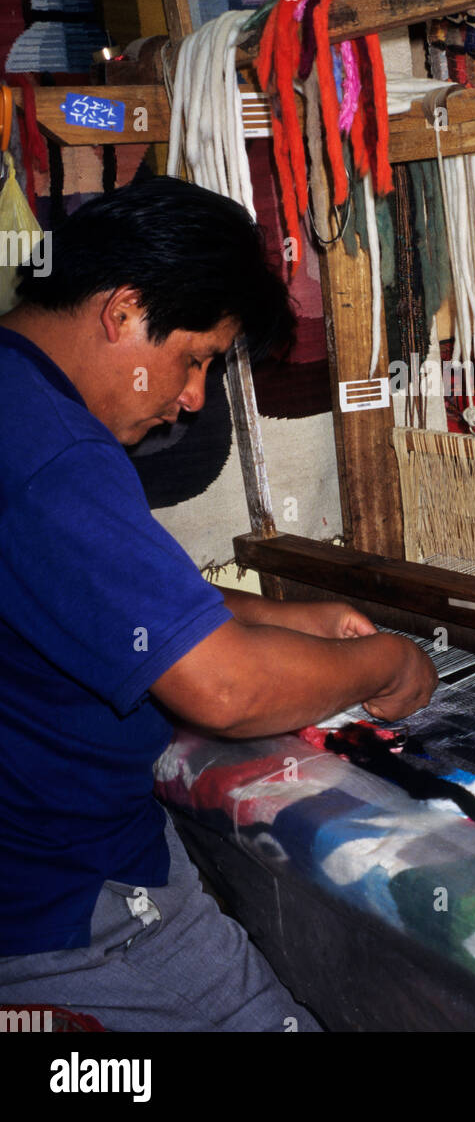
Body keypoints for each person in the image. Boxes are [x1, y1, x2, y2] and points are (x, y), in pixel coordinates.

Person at [0, 177, 438, 1032]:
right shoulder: (55, 453)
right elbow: (225, 693)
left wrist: (279, 620)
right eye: (195, 357)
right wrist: (383, 662)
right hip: (72, 909)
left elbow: (79, 599)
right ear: (124, 312)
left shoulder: (14, 397)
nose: (193, 396)